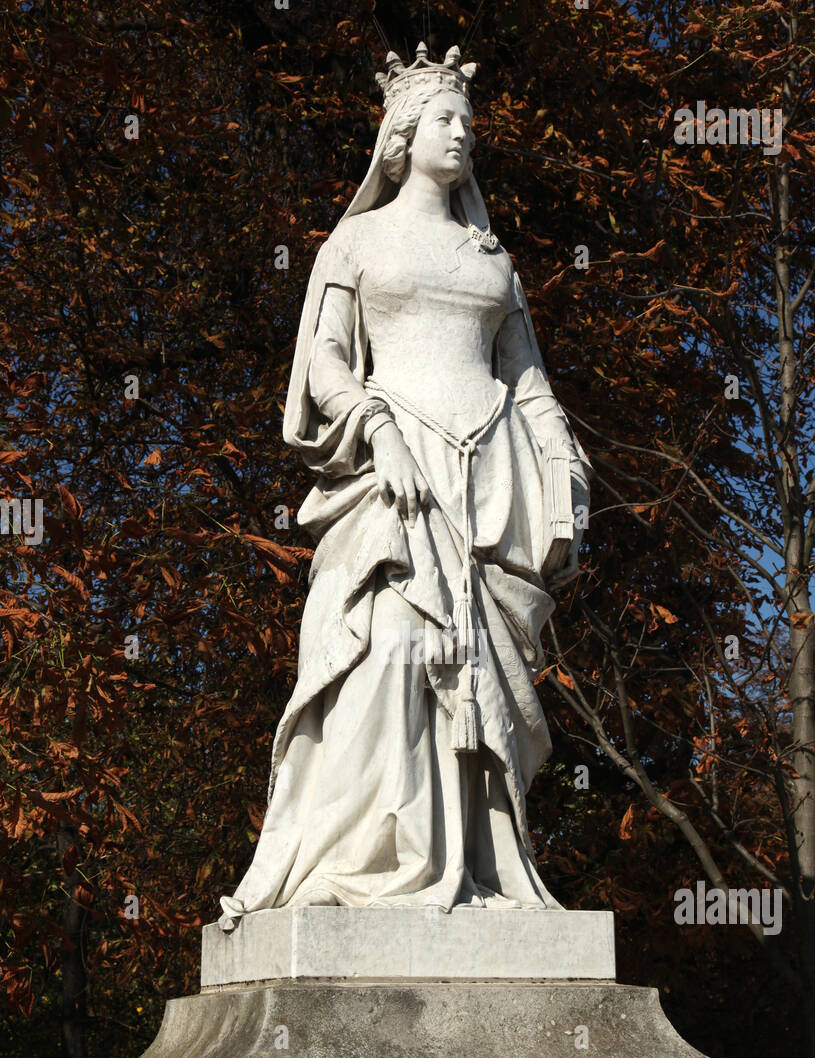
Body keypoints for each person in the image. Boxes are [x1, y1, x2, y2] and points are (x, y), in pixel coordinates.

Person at [218, 42, 590, 922]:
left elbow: (528, 382)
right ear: (401, 135)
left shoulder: (492, 258)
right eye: (444, 120)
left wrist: (565, 473)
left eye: (468, 122)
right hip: (394, 476)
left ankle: (479, 873)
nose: (462, 134)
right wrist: (378, 431)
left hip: (491, 477)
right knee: (388, 651)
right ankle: (362, 866)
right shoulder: (358, 240)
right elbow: (327, 368)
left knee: (481, 681)